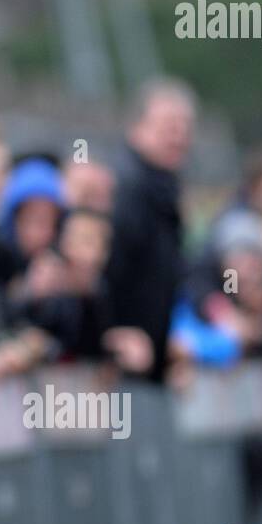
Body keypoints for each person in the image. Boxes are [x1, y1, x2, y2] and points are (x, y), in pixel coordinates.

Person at [103, 79, 196, 383]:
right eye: (169, 126)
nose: (179, 137)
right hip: (120, 364)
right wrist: (111, 332)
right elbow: (105, 272)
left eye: (184, 127)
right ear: (137, 128)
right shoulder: (125, 190)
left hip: (152, 361)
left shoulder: (165, 191)